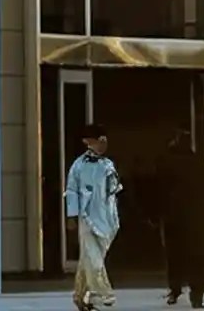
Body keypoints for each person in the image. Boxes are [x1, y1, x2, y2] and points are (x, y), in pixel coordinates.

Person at [156, 130, 204, 309]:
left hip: (174, 217)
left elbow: (160, 189)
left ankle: (174, 290)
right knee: (198, 258)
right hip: (198, 216)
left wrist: (158, 214)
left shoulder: (166, 161)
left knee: (174, 256)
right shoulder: (199, 161)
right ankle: (197, 297)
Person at [65, 123, 123, 311]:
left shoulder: (108, 165)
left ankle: (80, 295)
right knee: (94, 258)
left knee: (88, 260)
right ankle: (102, 294)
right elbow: (72, 190)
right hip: (87, 217)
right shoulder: (79, 166)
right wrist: (72, 215)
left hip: (106, 219)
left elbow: (114, 190)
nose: (103, 145)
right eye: (100, 141)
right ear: (89, 142)